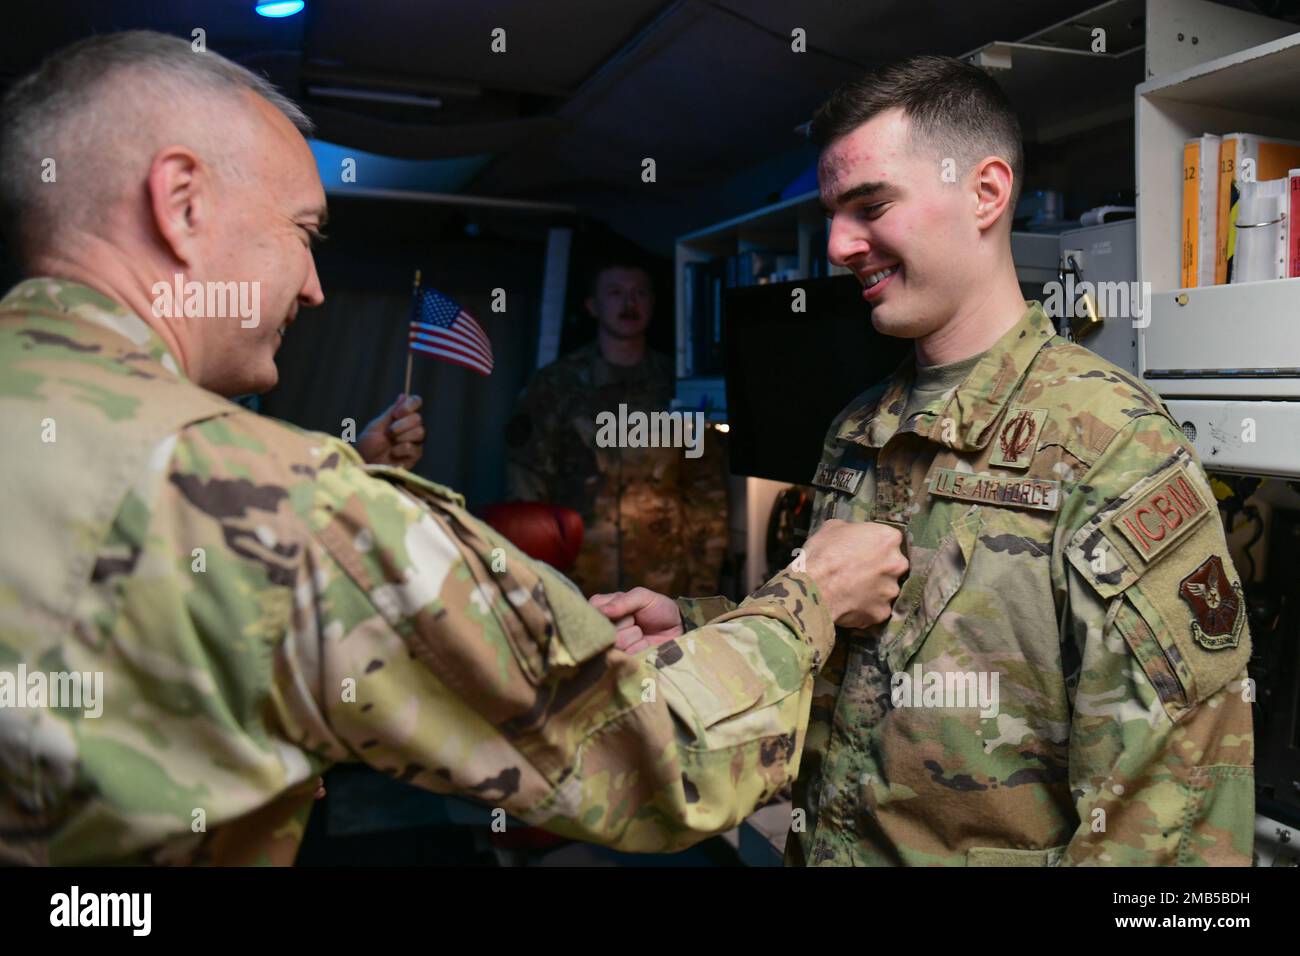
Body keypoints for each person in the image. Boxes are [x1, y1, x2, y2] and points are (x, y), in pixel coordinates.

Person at [0, 30, 908, 865]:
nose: (314, 286)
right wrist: (811, 599)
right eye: (304, 234)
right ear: (181, 202)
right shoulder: (287, 508)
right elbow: (654, 757)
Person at [594, 54, 1255, 866]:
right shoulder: (860, 425)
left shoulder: (1112, 444)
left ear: (985, 192)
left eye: (870, 206)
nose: (838, 245)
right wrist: (704, 625)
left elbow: (1175, 819)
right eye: (834, 213)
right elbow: (863, 644)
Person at [505, 258, 727, 596]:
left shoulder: (678, 385)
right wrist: (535, 581)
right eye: (615, 293)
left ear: (653, 303)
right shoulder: (555, 386)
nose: (629, 303)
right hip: (577, 581)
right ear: (593, 305)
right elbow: (527, 487)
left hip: (664, 583)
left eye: (640, 293)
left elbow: (705, 489)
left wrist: (702, 589)